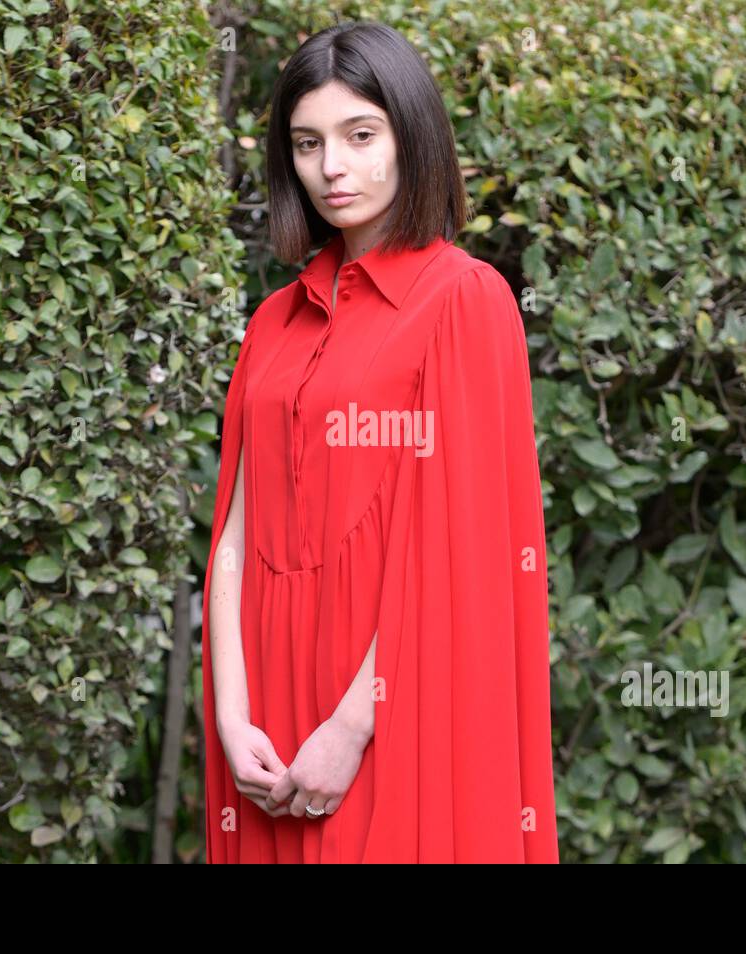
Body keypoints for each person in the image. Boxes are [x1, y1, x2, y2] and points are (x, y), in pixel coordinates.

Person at [201, 20, 559, 863]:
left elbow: (464, 557)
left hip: (393, 700)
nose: (333, 168)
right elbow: (233, 538)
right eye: (307, 143)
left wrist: (355, 725)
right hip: (266, 713)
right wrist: (230, 711)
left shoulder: (463, 301)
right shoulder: (271, 323)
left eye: (361, 136)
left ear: (411, 137)